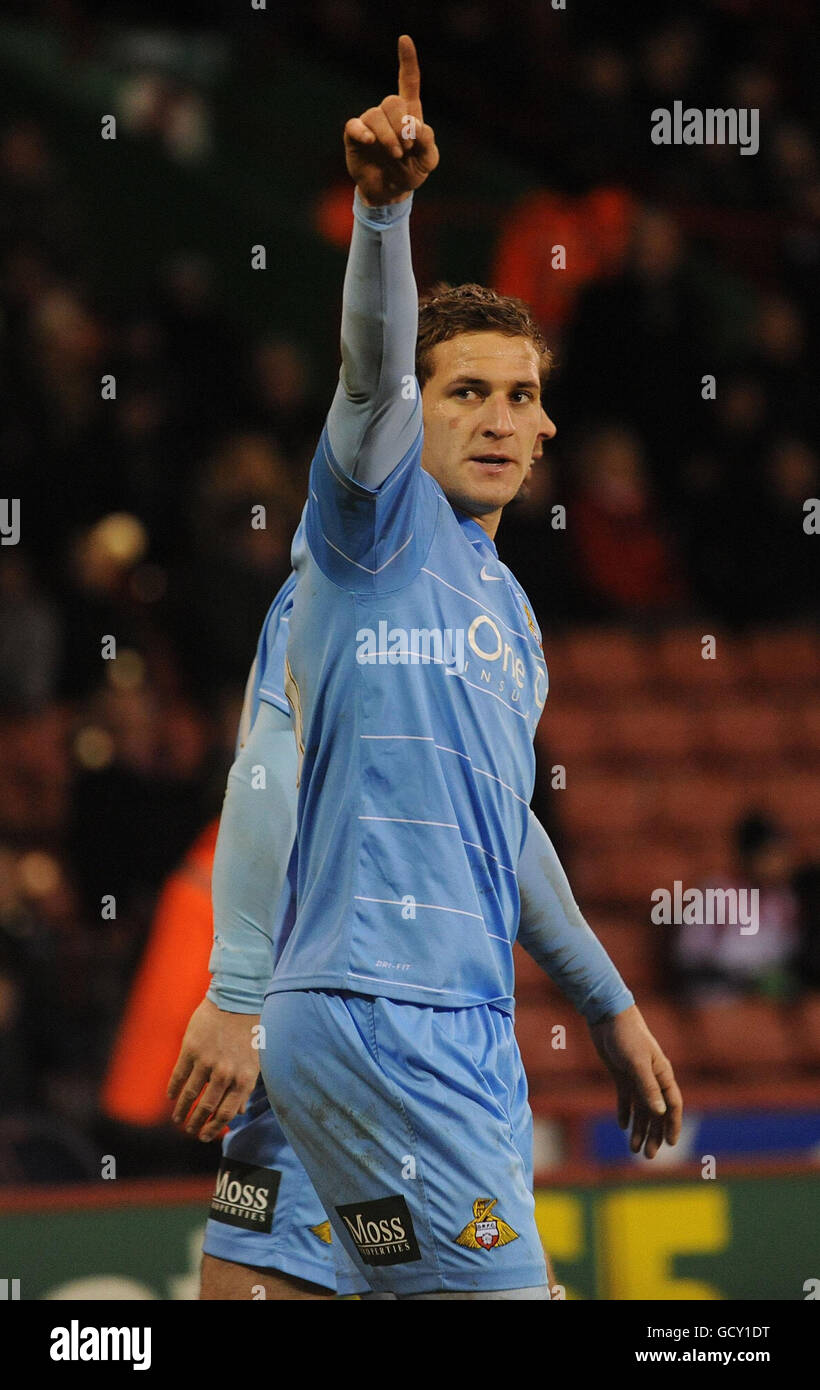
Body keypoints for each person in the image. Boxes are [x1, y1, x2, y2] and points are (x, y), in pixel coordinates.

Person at [253, 35, 681, 1299]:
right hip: (387, 1023)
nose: (500, 418)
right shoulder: (369, 528)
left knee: (363, 1282)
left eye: (520, 396)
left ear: (549, 424)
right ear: (410, 414)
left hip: (418, 1040)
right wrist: (385, 216)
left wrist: (606, 1002)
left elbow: (510, 832)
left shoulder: (510, 613)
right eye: (466, 394)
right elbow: (369, 363)